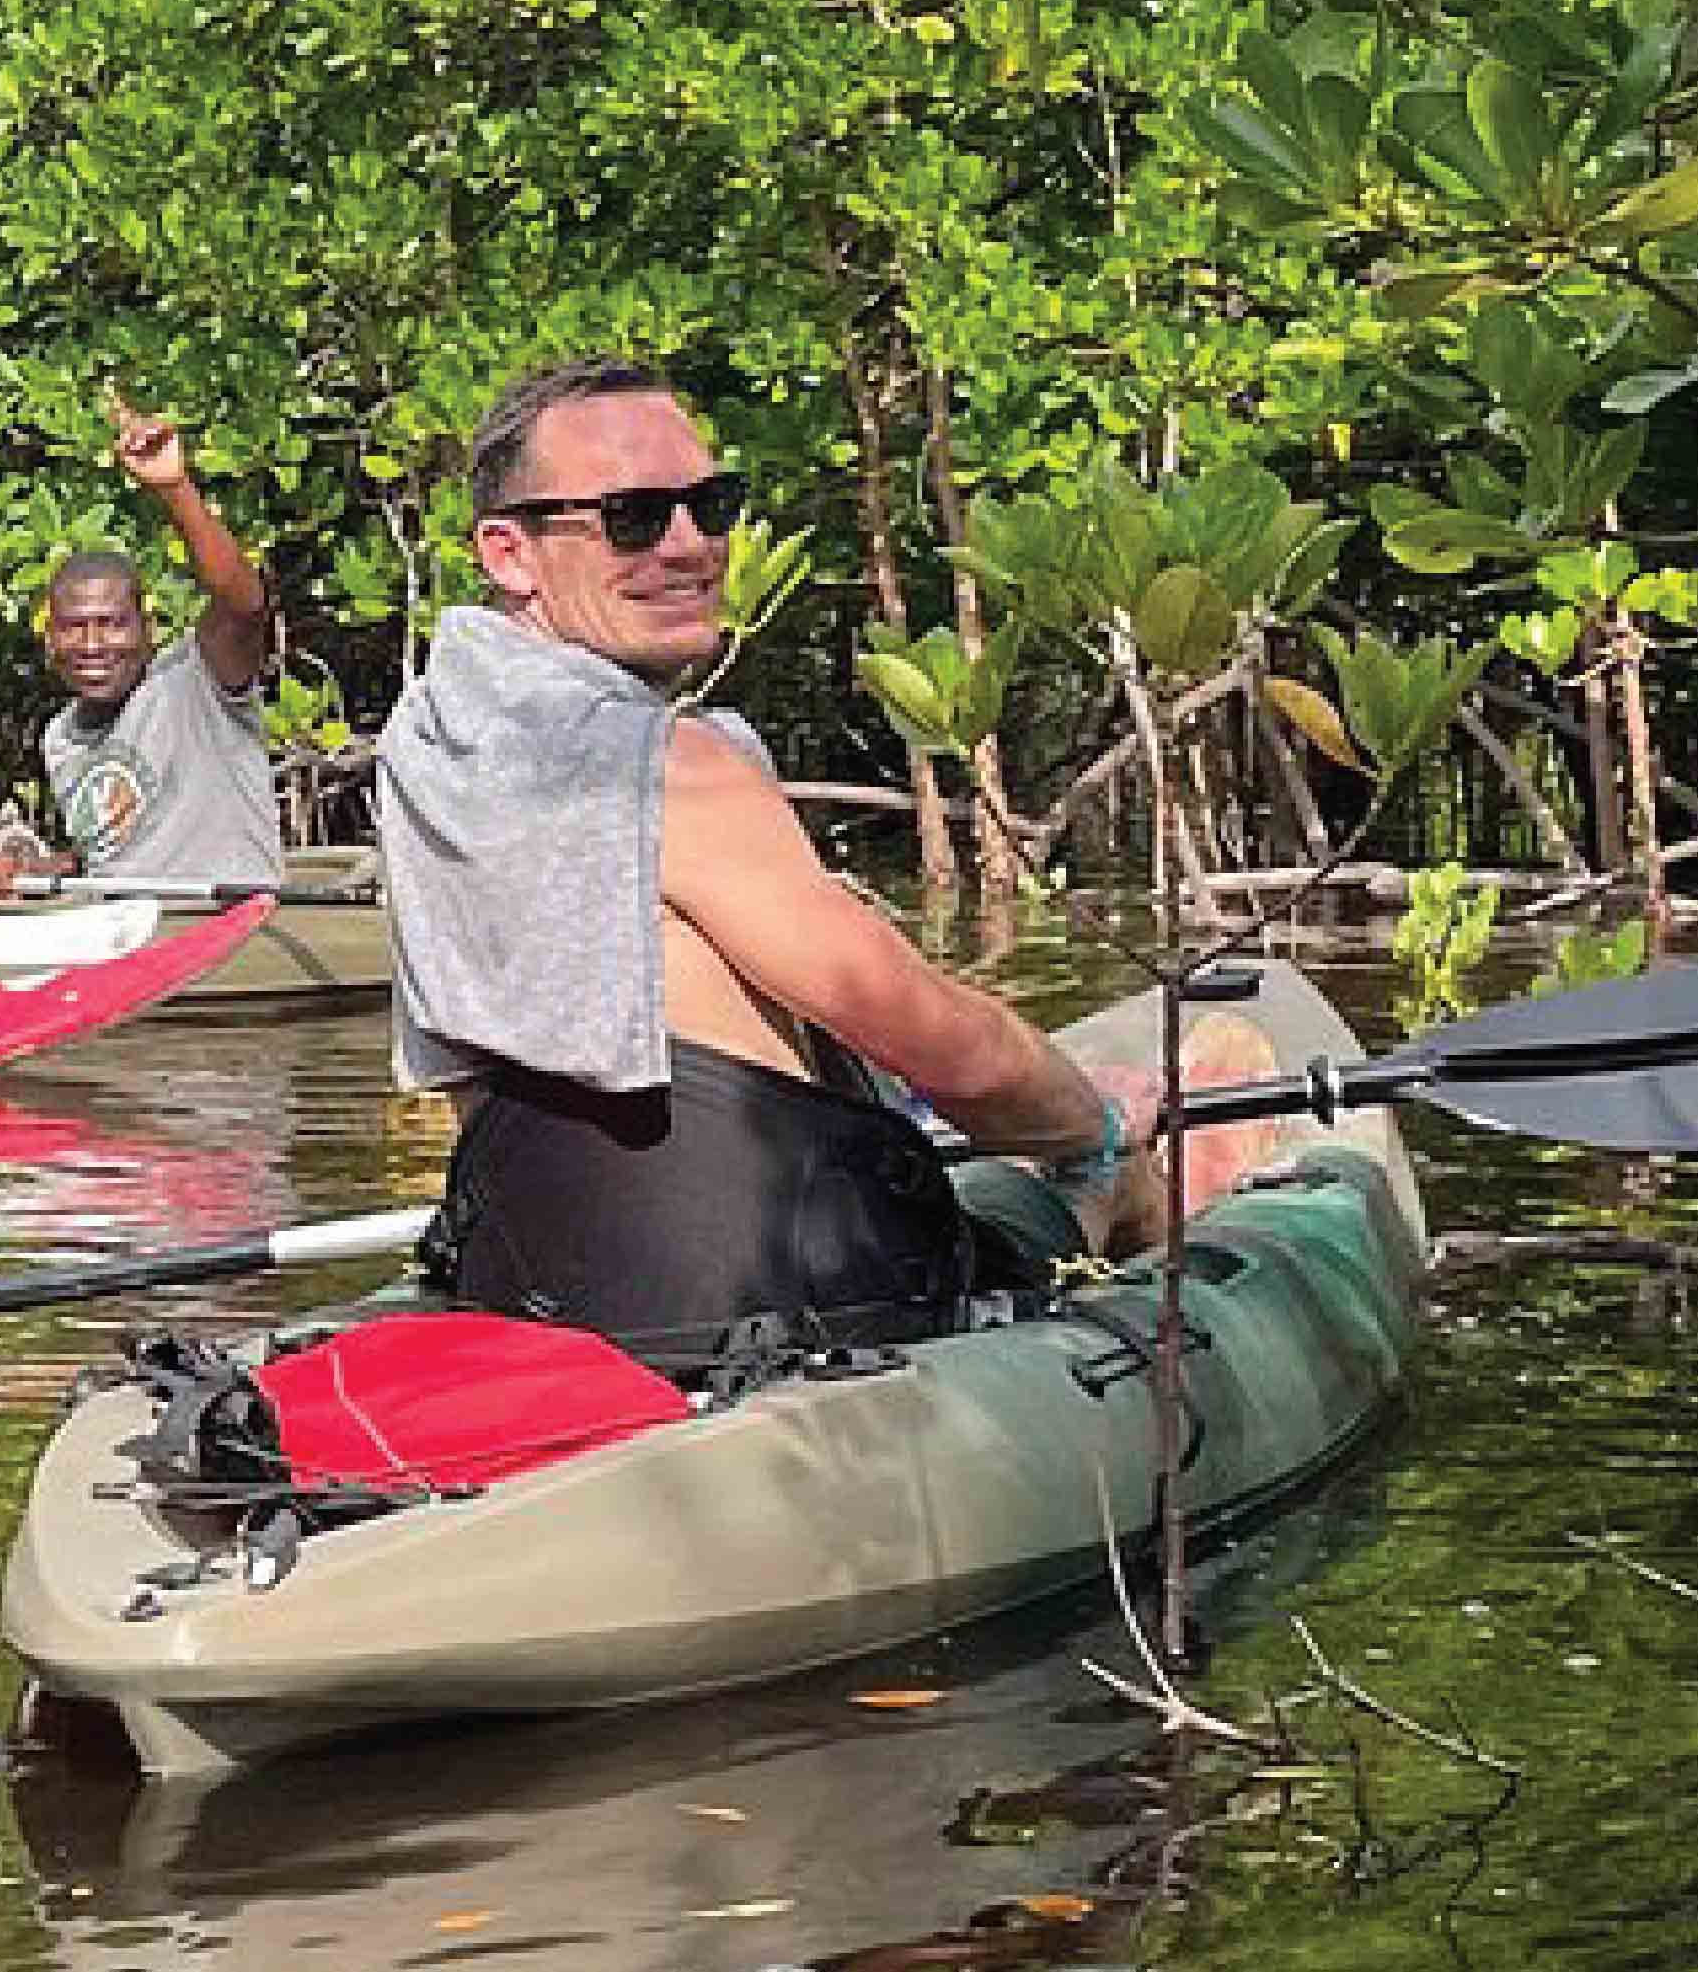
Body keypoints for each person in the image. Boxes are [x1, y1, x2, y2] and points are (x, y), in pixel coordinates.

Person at [374, 359, 1263, 1353]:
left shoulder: (426, 741)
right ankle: (1172, 1224)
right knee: (1171, 1104)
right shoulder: (661, 766)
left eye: (709, 506)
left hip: (540, 1281)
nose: (687, 546)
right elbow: (939, 1041)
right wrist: (1093, 1123)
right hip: (792, 1299)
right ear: (508, 554)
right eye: (631, 516)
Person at [0, 394, 286, 895]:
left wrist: (175, 489)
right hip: (125, 938)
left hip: (223, 941)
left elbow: (244, 605)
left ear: (147, 629)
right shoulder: (60, 737)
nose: (93, 644)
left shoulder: (193, 685)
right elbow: (113, 852)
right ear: (50, 639)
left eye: (112, 623)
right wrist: (30, 871)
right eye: (74, 627)